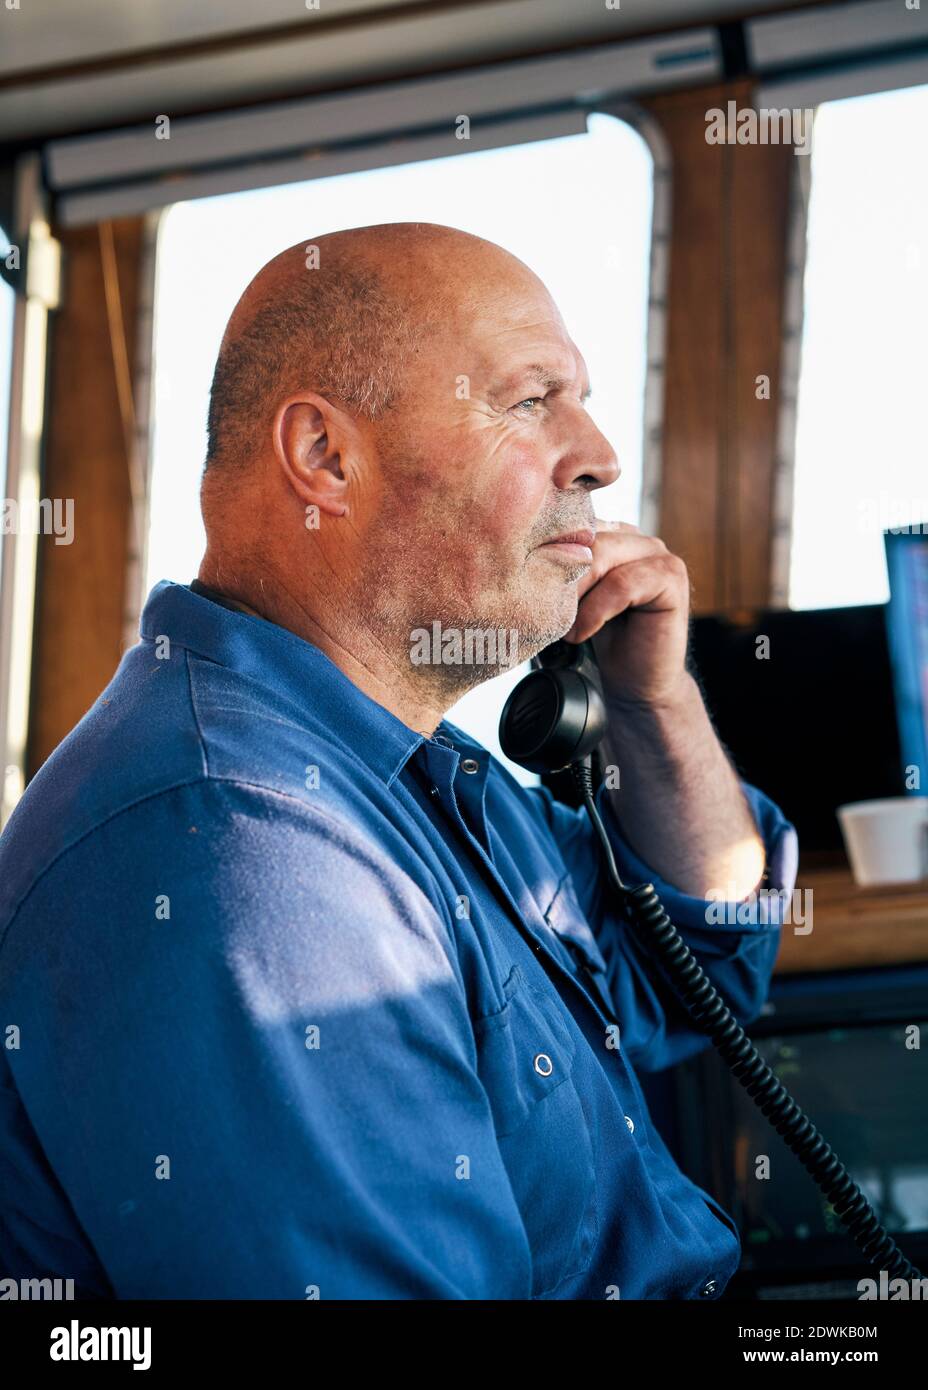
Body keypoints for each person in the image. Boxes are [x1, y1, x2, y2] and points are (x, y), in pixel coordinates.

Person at [0, 223, 797, 1299]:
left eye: (582, 397)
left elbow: (702, 963)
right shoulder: (241, 843)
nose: (599, 454)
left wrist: (651, 702)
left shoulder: (410, 768)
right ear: (326, 458)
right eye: (530, 400)